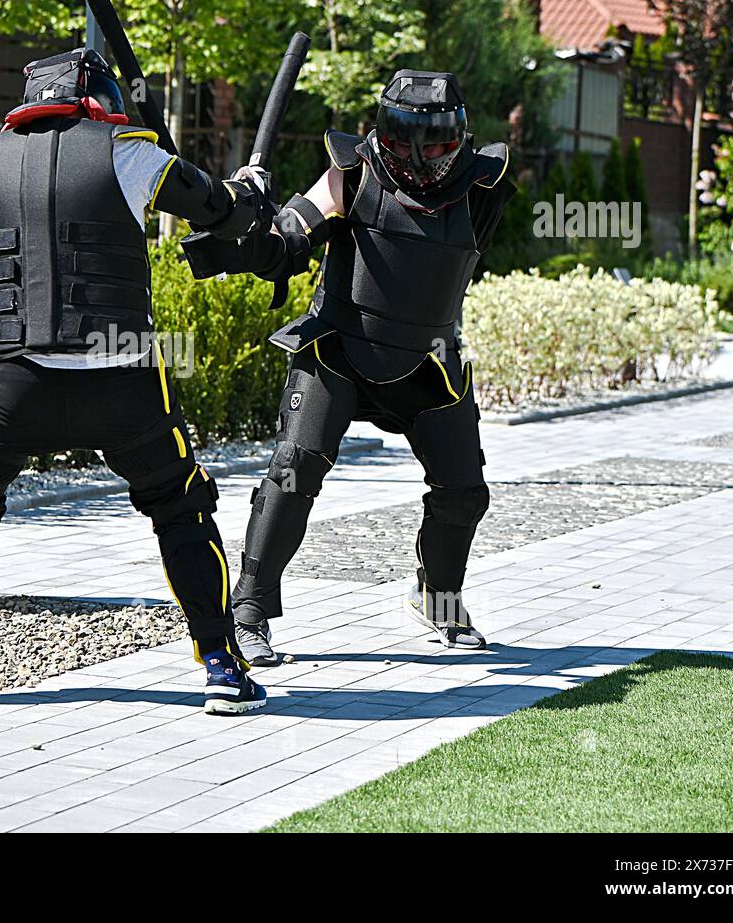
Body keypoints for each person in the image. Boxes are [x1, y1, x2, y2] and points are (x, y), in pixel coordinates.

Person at [0, 47, 278, 714]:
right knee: (180, 507)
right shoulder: (129, 150)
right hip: (119, 384)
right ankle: (223, 668)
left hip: (12, 388)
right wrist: (250, 191)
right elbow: (215, 209)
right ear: (99, 97)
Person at [206, 70, 515, 662]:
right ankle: (247, 609)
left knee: (464, 489)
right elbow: (287, 238)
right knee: (293, 473)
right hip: (338, 352)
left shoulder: (485, 185)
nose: (420, 157)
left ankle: (439, 600)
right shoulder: (350, 173)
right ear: (380, 133)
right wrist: (243, 217)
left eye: (435, 143)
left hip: (429, 360)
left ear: (459, 137)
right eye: (403, 142)